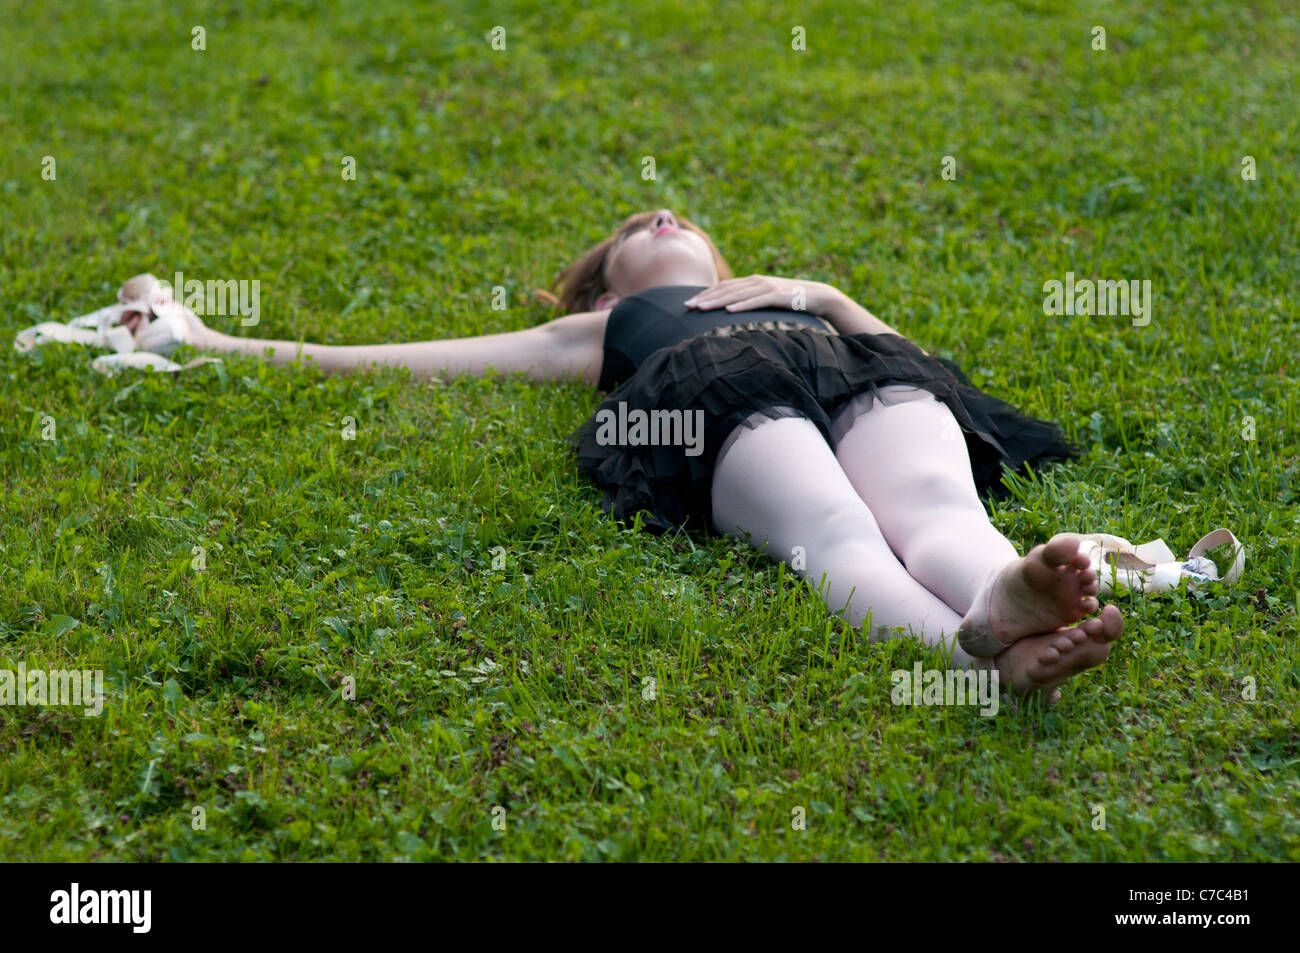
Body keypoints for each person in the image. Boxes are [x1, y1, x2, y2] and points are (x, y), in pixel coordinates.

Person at [162, 208, 1124, 703]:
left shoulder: (796, 295)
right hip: (714, 396)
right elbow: (408, 363)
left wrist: (825, 295)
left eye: (673, 219)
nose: (657, 221)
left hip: (857, 370)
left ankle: (1001, 593)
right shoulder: (612, 327)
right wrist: (211, 343)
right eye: (631, 231)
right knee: (832, 531)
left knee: (937, 508)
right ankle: (974, 663)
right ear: (598, 288)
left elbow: (921, 363)